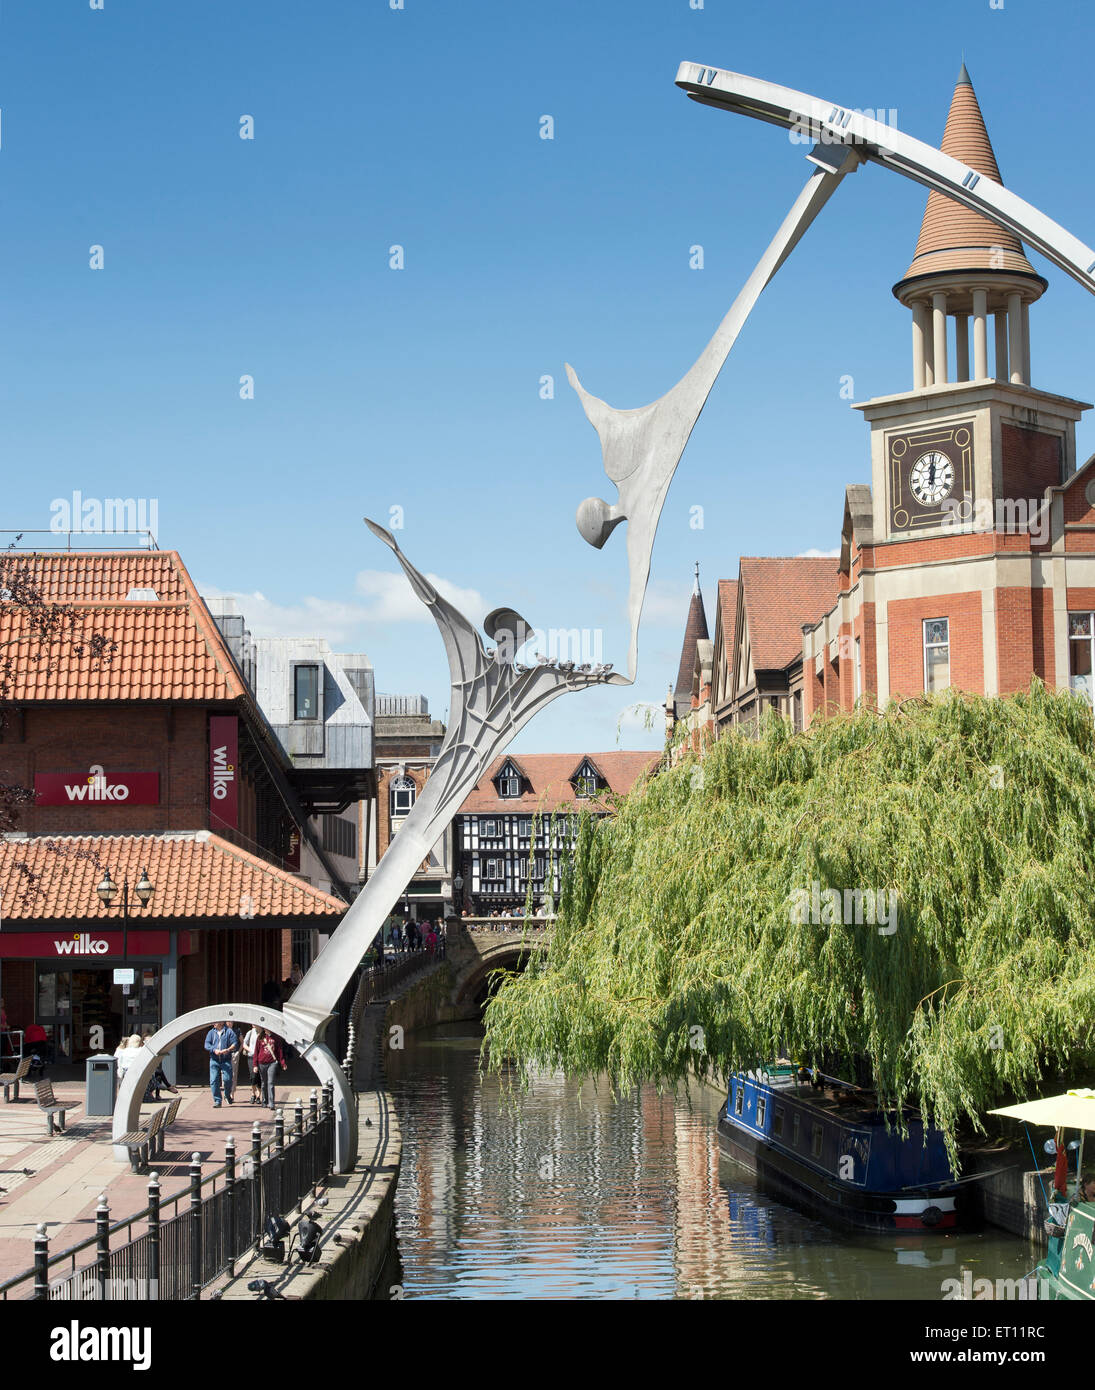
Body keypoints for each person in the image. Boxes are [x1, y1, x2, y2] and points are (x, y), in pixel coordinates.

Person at [204, 1020, 239, 1107]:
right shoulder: (211, 1032)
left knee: (227, 1079)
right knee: (213, 1080)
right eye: (214, 1022)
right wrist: (214, 1050)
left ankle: (227, 1095)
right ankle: (217, 1100)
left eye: (216, 1022)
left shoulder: (229, 1032)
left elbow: (234, 1043)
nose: (214, 1023)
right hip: (214, 1060)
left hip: (225, 1059)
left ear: (222, 1023)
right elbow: (206, 1044)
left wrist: (227, 1050)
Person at [253, 1028, 287, 1111]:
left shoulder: (276, 1038)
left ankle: (271, 1103)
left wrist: (283, 1063)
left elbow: (279, 1051)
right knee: (264, 1083)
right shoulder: (260, 1037)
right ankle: (265, 1101)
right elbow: (256, 1052)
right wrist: (255, 1065)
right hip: (262, 1063)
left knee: (270, 1082)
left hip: (272, 1062)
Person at [240, 1024, 262, 1104]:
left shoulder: (262, 1032)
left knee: (259, 1076)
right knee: (253, 1076)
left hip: (260, 1057)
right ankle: (253, 1094)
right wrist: (250, 1050)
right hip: (251, 1057)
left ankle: (259, 1095)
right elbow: (244, 1044)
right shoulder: (250, 1032)